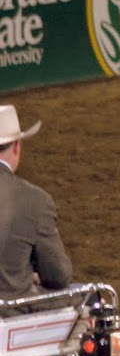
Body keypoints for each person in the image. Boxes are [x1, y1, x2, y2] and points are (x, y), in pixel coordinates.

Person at [0, 106, 73, 299]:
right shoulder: (35, 200)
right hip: (10, 311)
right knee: (90, 298)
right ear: (16, 146)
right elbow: (58, 276)